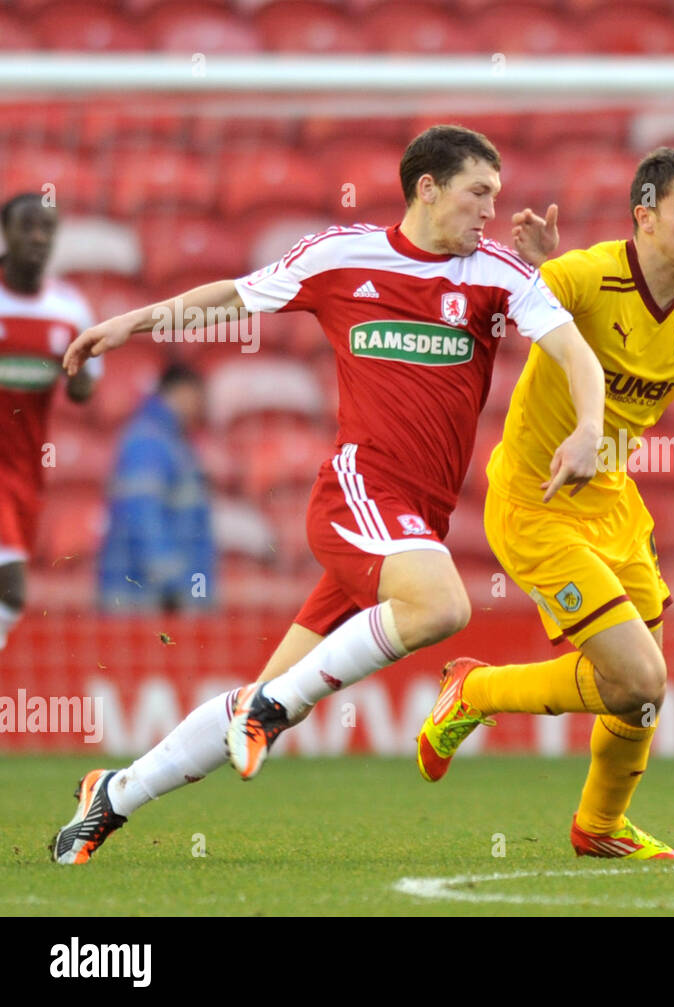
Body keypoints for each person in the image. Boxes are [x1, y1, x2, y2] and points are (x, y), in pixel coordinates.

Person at [51, 124, 605, 864]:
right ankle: (271, 710)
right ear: (427, 188)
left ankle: (112, 795)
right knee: (442, 607)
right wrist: (131, 321)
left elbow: (575, 350)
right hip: (359, 494)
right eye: (479, 193)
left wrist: (592, 427)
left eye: (496, 196)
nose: (490, 210)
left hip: (414, 522)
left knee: (266, 690)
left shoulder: (496, 273)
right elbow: (236, 298)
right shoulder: (341, 254)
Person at [415, 147, 674, 859]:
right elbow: (505, 302)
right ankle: (475, 692)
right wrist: (534, 272)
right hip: (535, 499)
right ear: (644, 214)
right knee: (640, 676)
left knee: (640, 695)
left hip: (614, 504)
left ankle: (599, 826)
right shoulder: (587, 274)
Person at [0, 193, 99, 652]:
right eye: (27, 226)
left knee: (10, 601)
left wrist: (75, 373)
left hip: (25, 471)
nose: (38, 237)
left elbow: (84, 390)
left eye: (47, 228)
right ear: (6, 232)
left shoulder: (69, 309)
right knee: (12, 589)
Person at [98, 364, 215, 613]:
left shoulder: (169, 439)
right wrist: (173, 583)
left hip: (150, 599)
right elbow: (142, 516)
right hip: (144, 602)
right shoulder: (150, 441)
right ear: (183, 392)